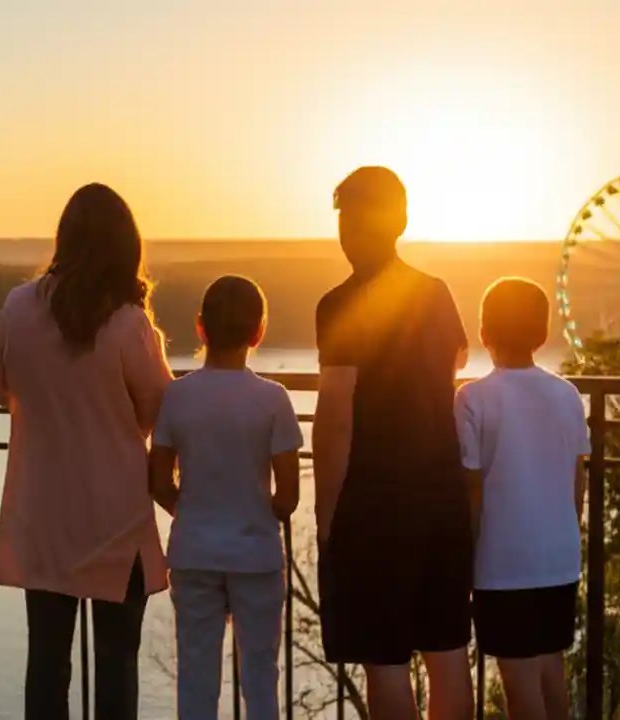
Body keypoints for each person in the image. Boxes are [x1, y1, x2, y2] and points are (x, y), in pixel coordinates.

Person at [0, 183, 173, 720]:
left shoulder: (17, 307)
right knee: (116, 664)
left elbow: (3, 389)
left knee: (46, 661)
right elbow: (161, 409)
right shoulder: (128, 323)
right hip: (116, 516)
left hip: (41, 510)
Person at [312, 166, 474, 719]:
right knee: (448, 653)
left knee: (385, 661)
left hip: (375, 503)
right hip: (444, 496)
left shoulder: (339, 304)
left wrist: (326, 513)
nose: (346, 232)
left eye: (347, 220)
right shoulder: (435, 292)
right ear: (401, 220)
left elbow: (335, 417)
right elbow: (458, 360)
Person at [148, 275, 303, 720]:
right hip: (255, 555)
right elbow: (288, 495)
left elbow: (158, 479)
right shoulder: (273, 400)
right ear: (259, 333)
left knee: (196, 677)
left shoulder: (177, 396)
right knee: (260, 677)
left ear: (201, 328)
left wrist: (190, 509)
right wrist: (257, 509)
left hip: (194, 550)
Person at [455, 278, 588, 720]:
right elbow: (577, 480)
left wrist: (467, 556)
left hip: (504, 560)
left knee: (518, 682)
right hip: (558, 556)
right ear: (543, 333)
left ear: (483, 332)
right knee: (551, 668)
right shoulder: (567, 395)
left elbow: (471, 488)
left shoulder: (472, 398)